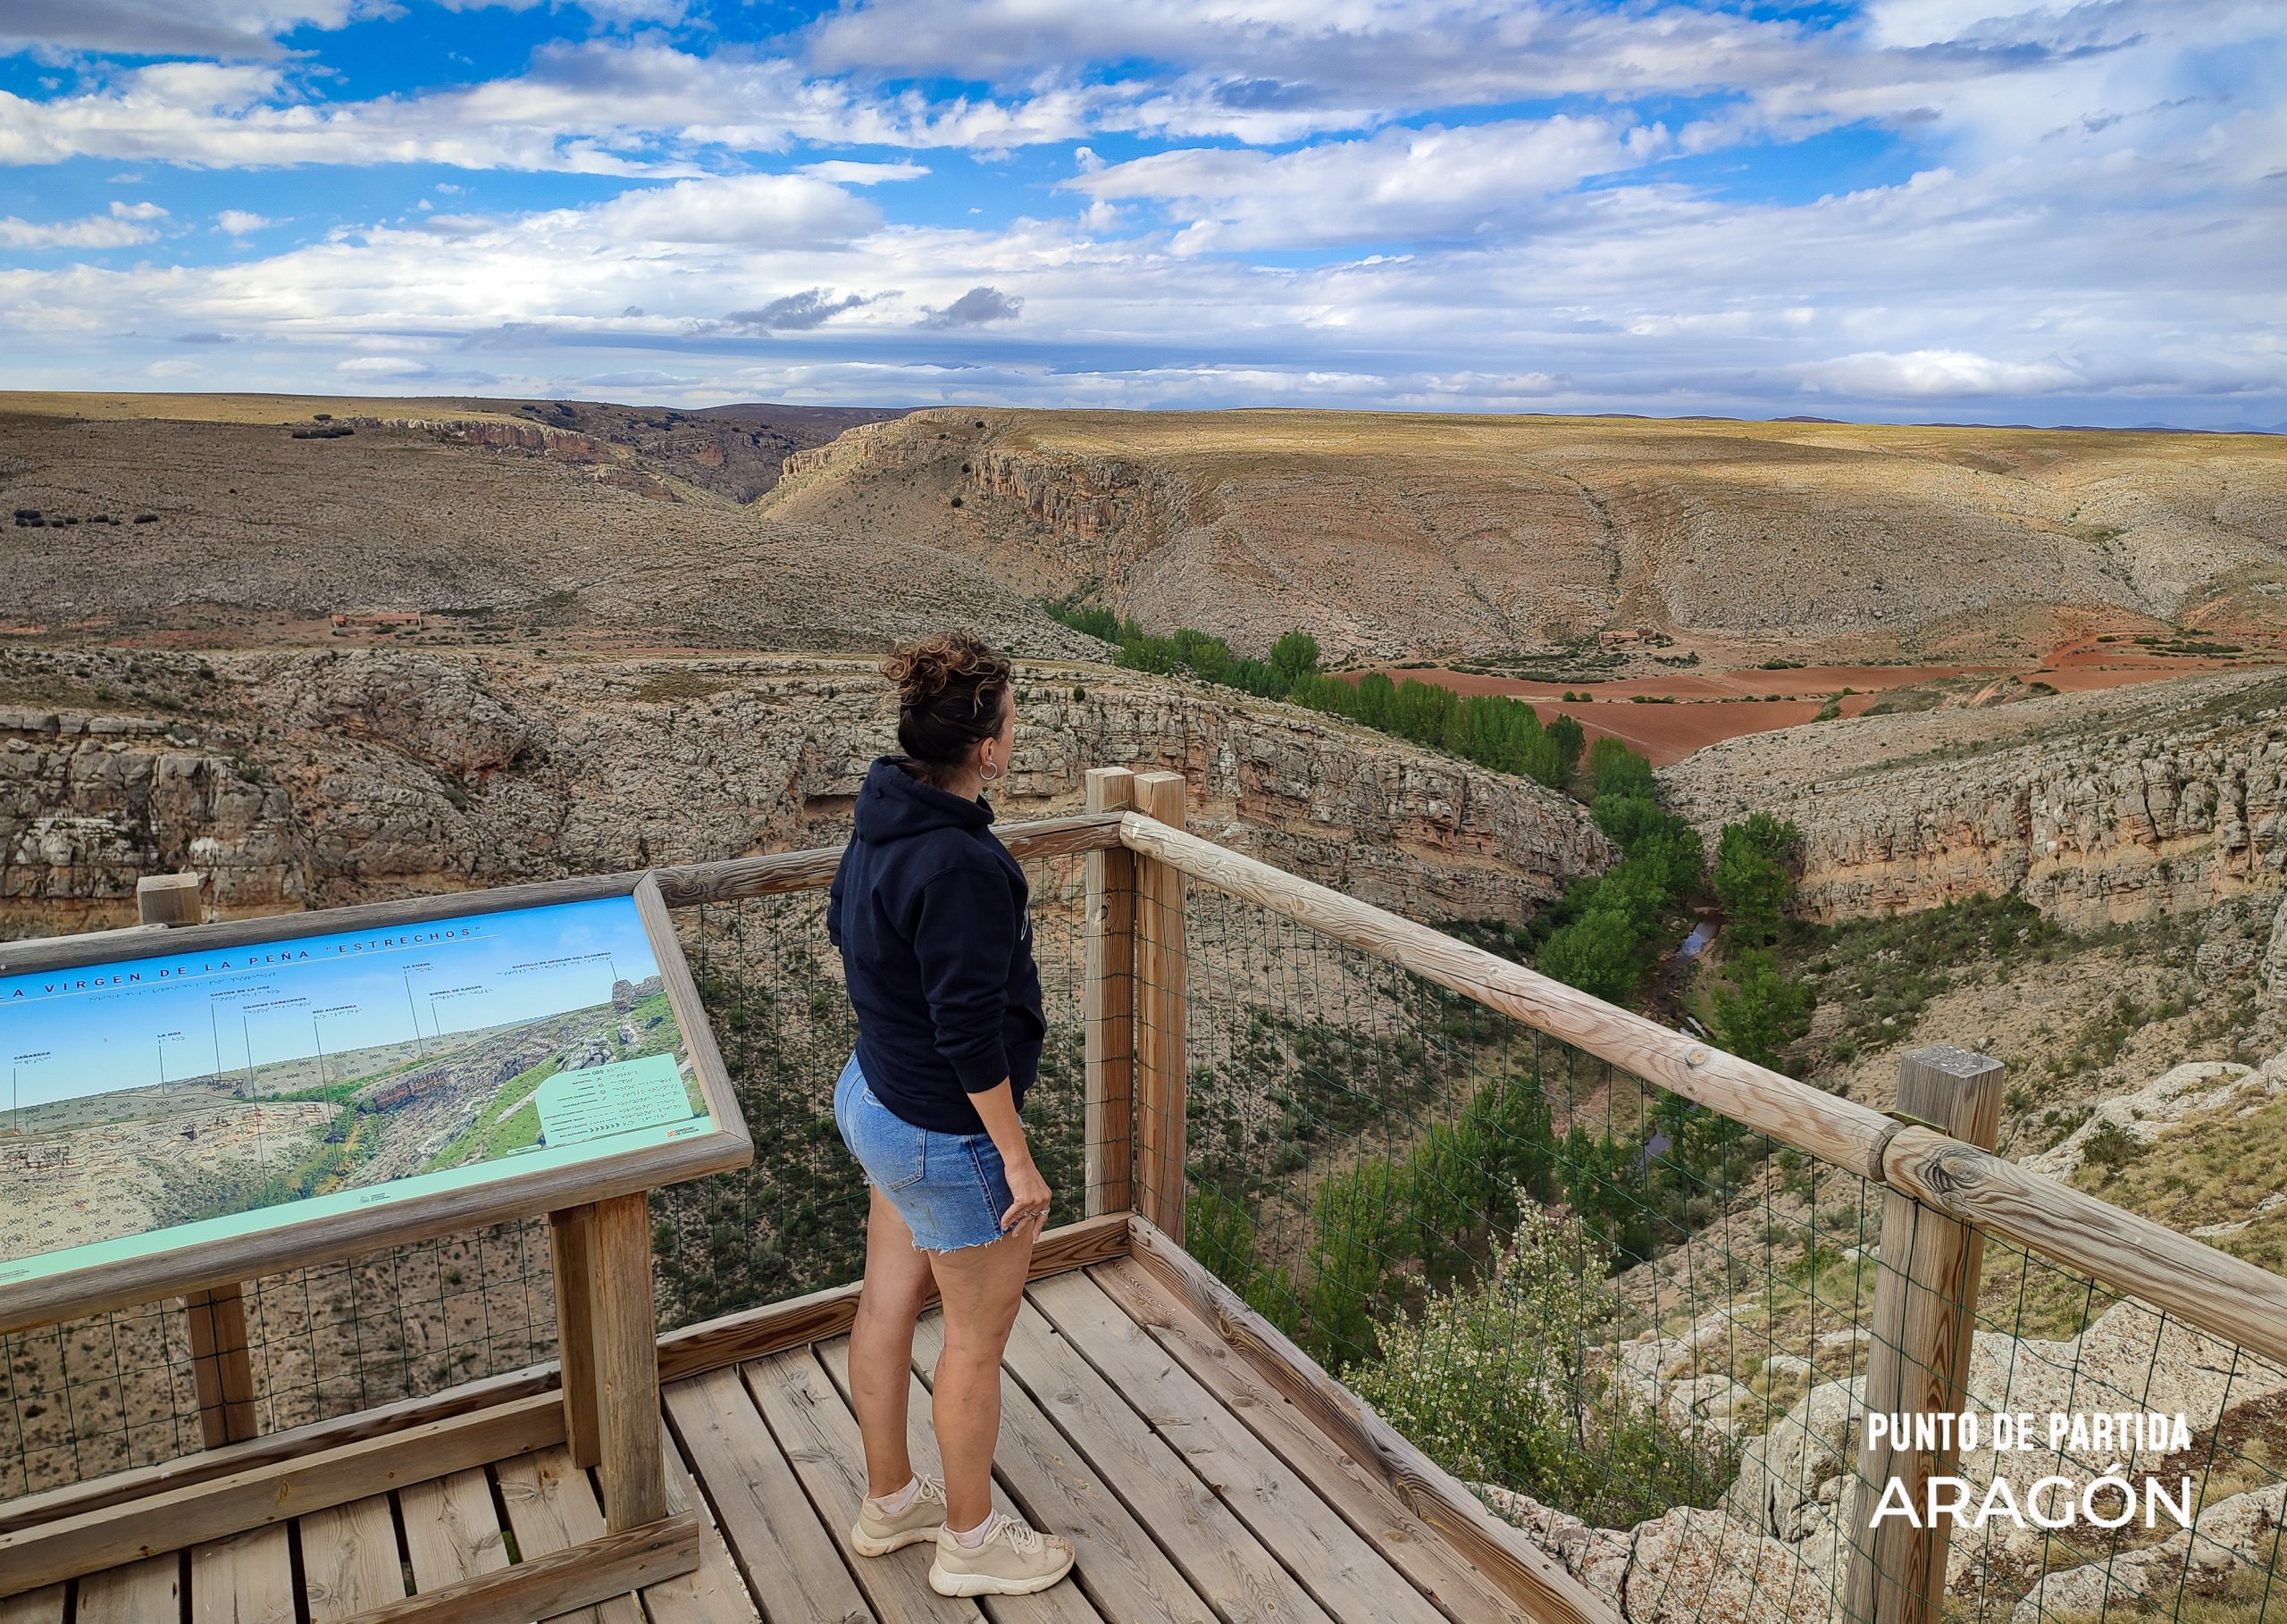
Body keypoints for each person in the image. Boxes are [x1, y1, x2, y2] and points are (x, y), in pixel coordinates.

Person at [825, 629, 1078, 1598]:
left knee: (887, 1301)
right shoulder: (960, 866)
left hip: (876, 1095)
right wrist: (1014, 1159)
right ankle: (969, 1541)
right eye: (1011, 720)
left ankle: (891, 1502)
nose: (1015, 733)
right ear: (985, 747)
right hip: (943, 1130)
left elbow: (849, 932)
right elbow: (969, 1031)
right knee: (975, 1342)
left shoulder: (883, 813)